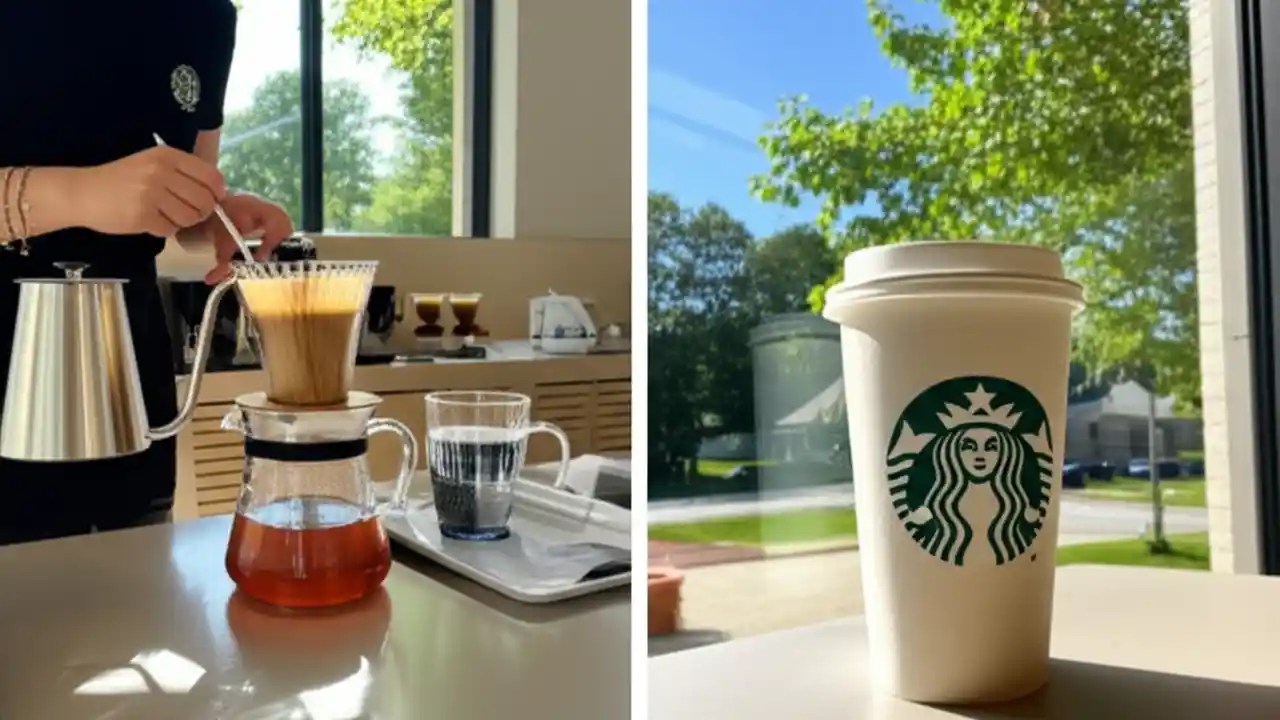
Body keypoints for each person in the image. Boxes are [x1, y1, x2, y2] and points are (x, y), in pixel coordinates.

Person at [0, 1, 292, 543]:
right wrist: (79, 194)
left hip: (128, 401)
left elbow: (182, 200)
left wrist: (218, 218)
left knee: (131, 614)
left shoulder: (204, 19)